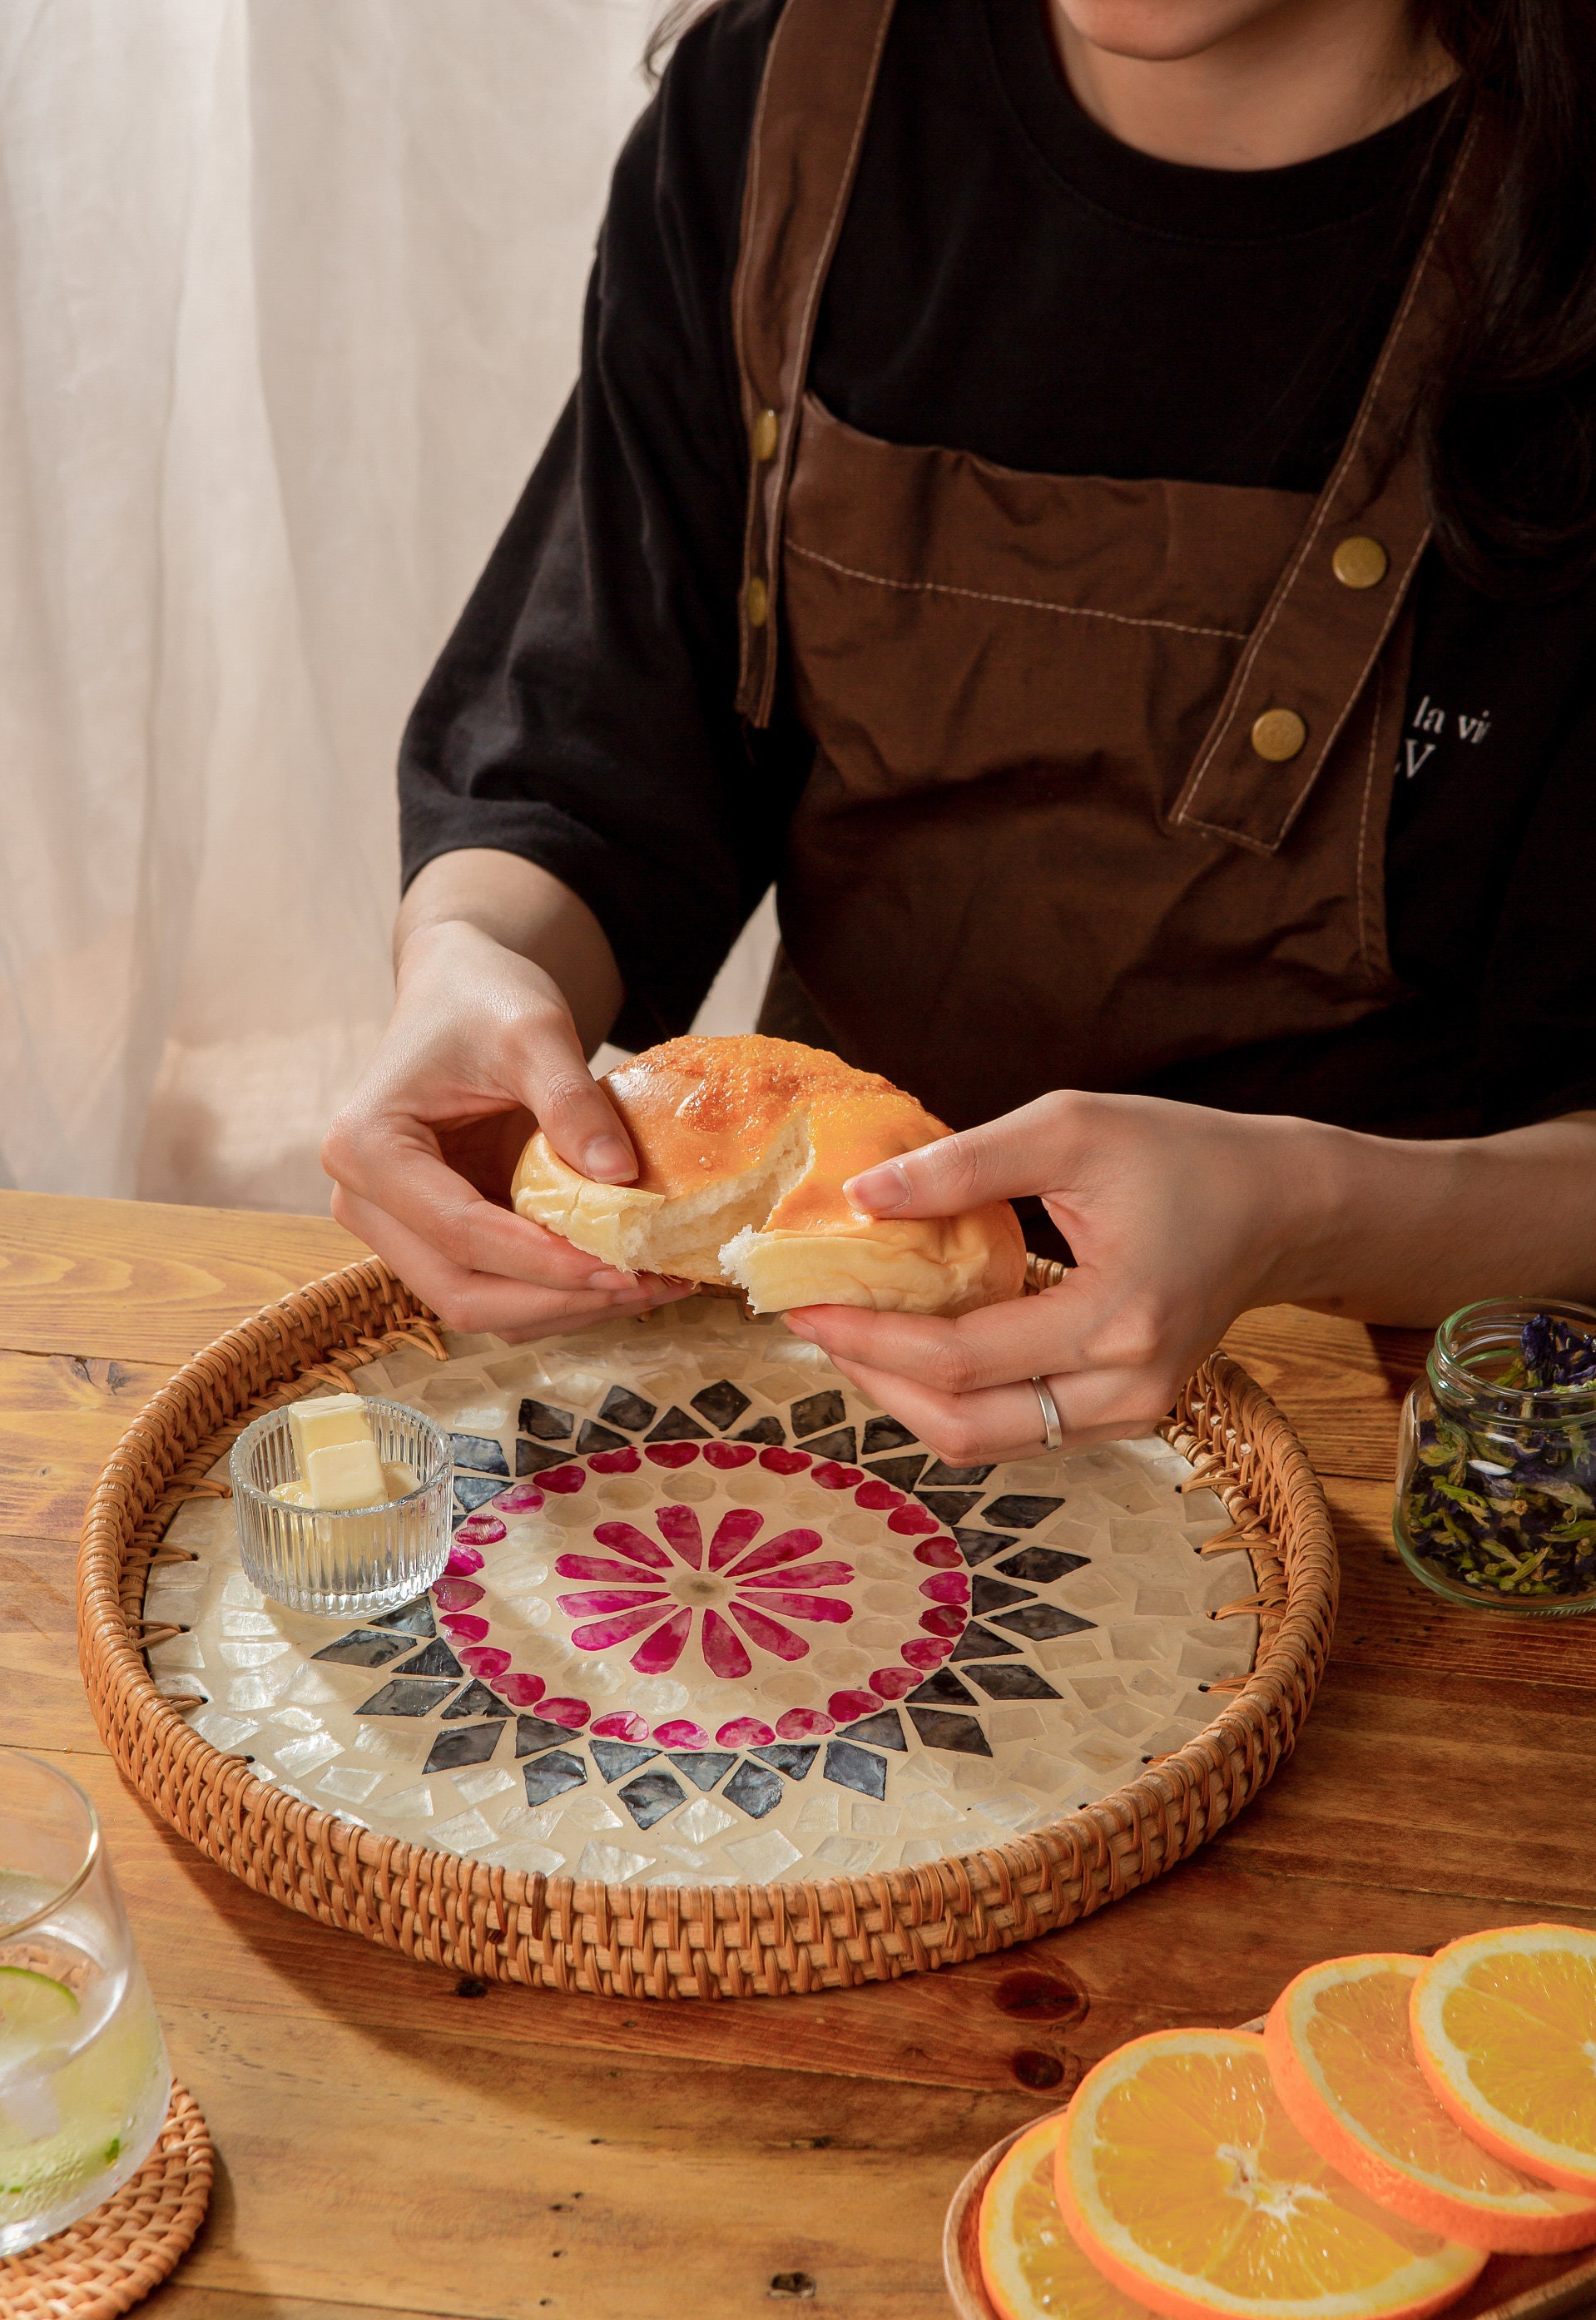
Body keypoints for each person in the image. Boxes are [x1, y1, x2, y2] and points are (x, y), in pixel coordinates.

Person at [324, 0, 1596, 1460]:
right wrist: (470, 969)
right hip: (814, 1375)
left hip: (1430, 1421)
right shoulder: (782, 97)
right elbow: (585, 767)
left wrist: (1303, 1215)